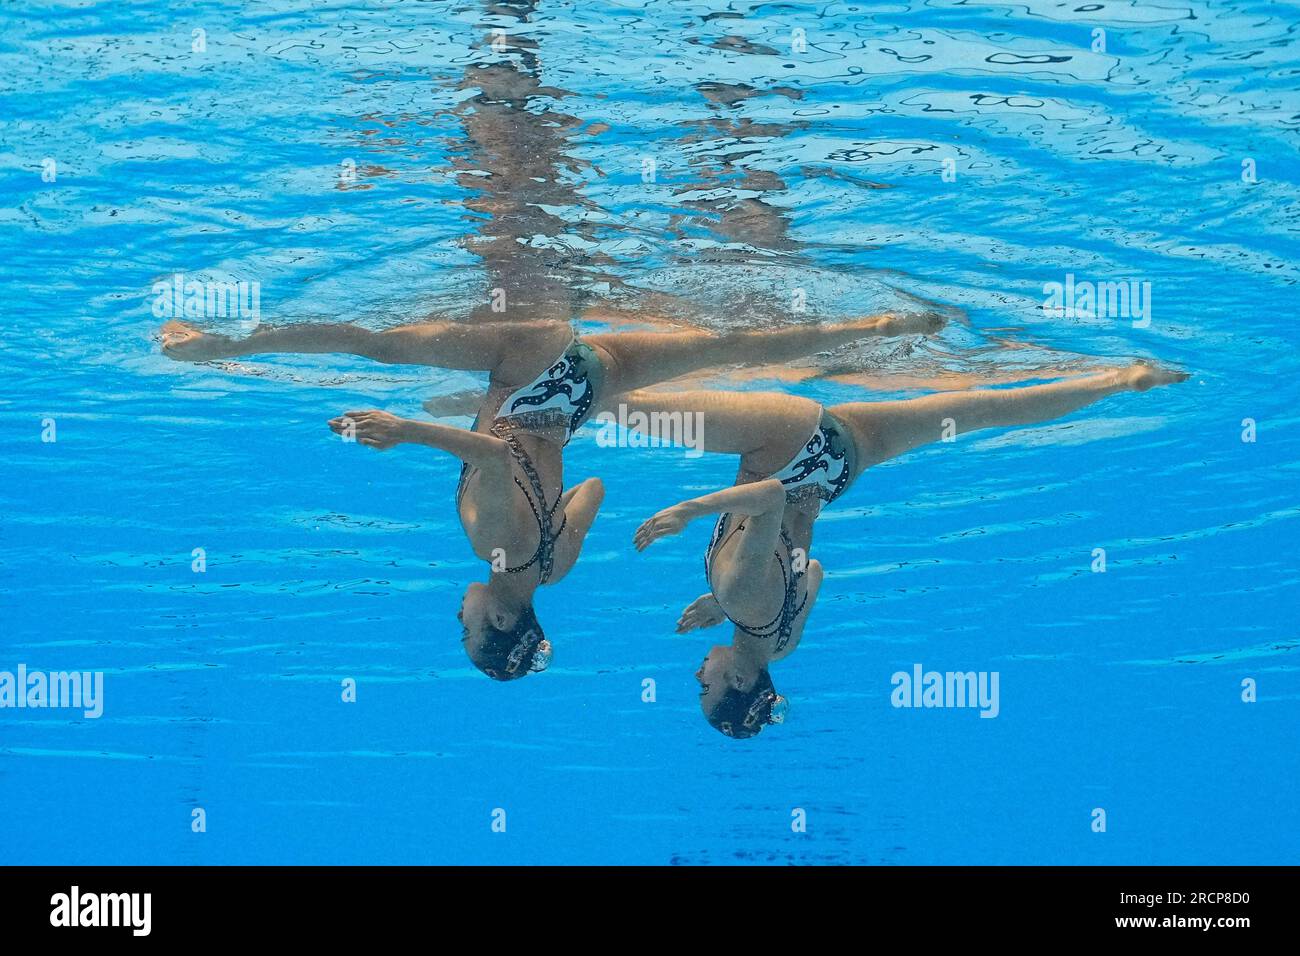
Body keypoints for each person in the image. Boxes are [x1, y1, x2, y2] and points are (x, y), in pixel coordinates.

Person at [161, 309, 942, 679]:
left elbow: (593, 486)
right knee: (379, 341)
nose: (459, 613)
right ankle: (219, 346)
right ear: (498, 618)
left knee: (734, 342)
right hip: (526, 379)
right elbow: (484, 454)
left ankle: (884, 328)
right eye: (467, 627)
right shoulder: (490, 544)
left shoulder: (552, 567)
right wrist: (403, 428)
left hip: (574, 399)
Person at [630, 362, 1187, 737]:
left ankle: (1118, 381)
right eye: (704, 686)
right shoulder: (740, 597)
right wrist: (688, 513)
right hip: (785, 452)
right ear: (740, 681)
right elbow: (770, 498)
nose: (697, 674)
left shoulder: (780, 646)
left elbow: (813, 570)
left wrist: (731, 596)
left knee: (980, 412)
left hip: (834, 471)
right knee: (635, 405)